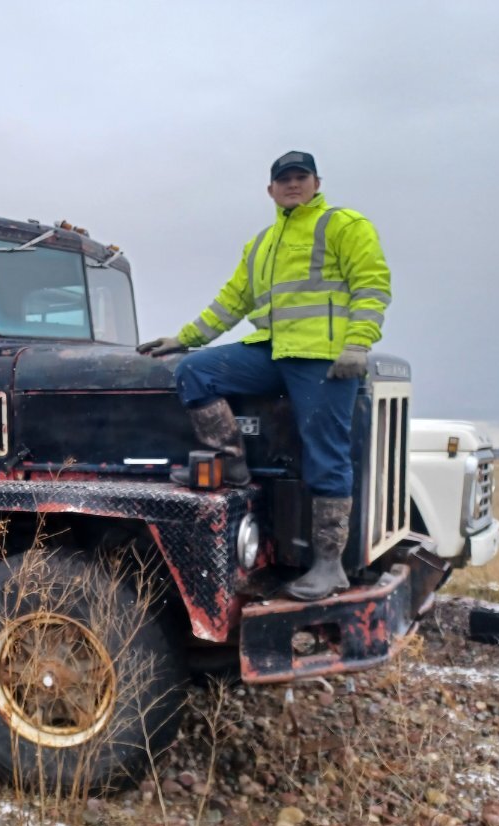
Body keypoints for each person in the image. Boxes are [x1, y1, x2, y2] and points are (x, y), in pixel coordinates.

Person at [137, 151, 391, 601]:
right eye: (284, 179)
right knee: (196, 371)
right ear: (270, 189)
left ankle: (330, 565)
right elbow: (232, 300)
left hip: (322, 356)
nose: (292, 185)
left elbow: (371, 284)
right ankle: (231, 464)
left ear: (316, 182)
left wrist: (358, 343)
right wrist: (184, 338)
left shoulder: (343, 225)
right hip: (273, 351)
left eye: (300, 177)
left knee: (324, 454)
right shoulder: (262, 244)